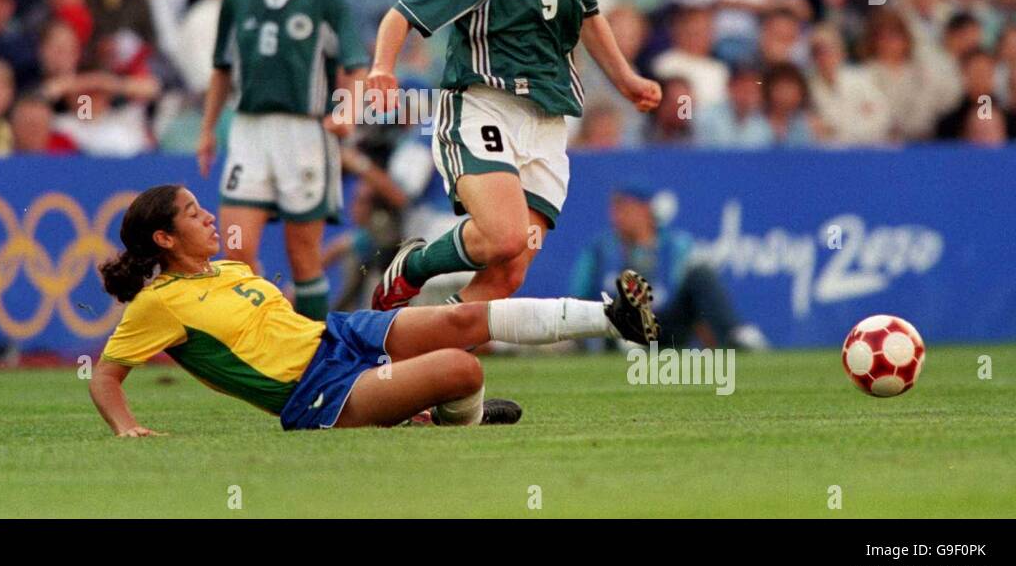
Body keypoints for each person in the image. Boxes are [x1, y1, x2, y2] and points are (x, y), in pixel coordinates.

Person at [366, 0, 661, 313]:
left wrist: (625, 78)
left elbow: (587, 13)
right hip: (484, 105)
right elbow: (402, 14)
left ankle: (426, 365)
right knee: (503, 236)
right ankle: (413, 265)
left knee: (510, 271)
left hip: (549, 119)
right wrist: (381, 69)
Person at [89, 184, 660, 433]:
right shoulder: (156, 305)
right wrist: (127, 428)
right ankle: (452, 419)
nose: (208, 216)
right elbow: (106, 377)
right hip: (316, 393)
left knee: (459, 323)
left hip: (338, 335)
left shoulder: (232, 269)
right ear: (164, 240)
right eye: (192, 213)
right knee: (465, 369)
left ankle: (613, 318)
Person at [196, 0, 368, 321]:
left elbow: (357, 67)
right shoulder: (238, 1)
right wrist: (207, 130)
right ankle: (263, 335)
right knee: (237, 250)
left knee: (303, 254)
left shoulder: (325, 0)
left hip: (306, 133)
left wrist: (347, 110)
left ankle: (311, 354)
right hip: (249, 131)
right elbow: (221, 70)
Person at [570, 185, 766, 352]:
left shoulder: (678, 245)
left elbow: (686, 294)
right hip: (620, 327)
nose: (617, 217)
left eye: (625, 209)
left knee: (701, 275)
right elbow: (579, 294)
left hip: (666, 320)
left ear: (646, 210)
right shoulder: (599, 249)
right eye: (614, 210)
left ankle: (737, 334)